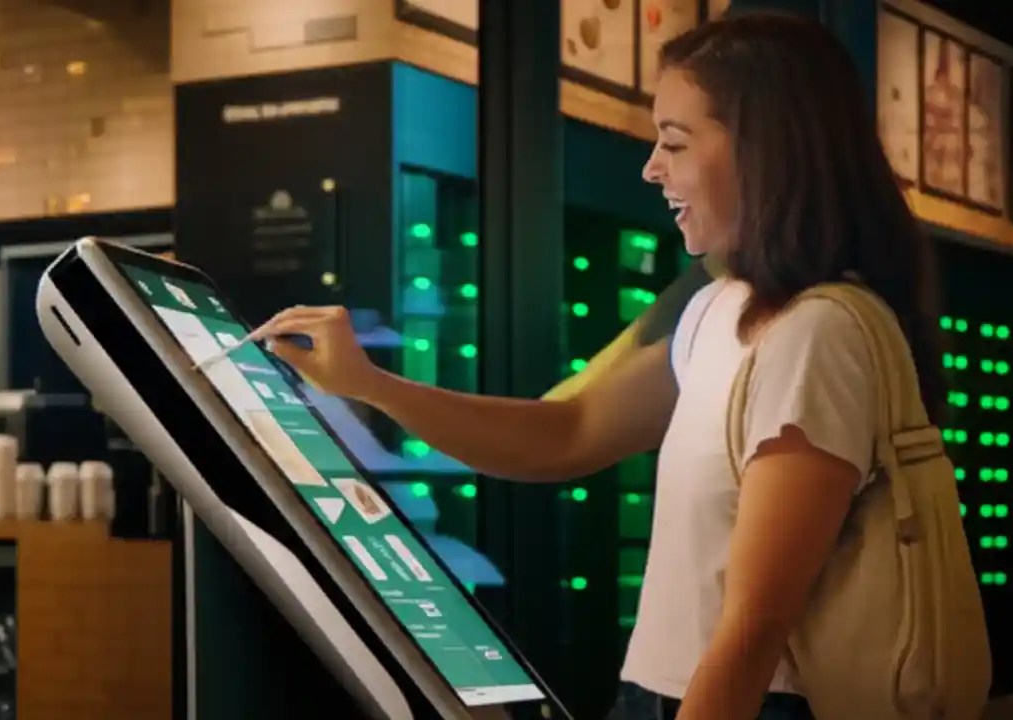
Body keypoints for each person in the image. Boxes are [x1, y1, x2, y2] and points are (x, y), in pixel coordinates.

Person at [252, 12, 944, 720]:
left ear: (768, 151)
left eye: (674, 141)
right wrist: (369, 385)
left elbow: (754, 627)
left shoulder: (816, 335)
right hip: (662, 693)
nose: (651, 167)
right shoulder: (717, 310)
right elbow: (567, 431)